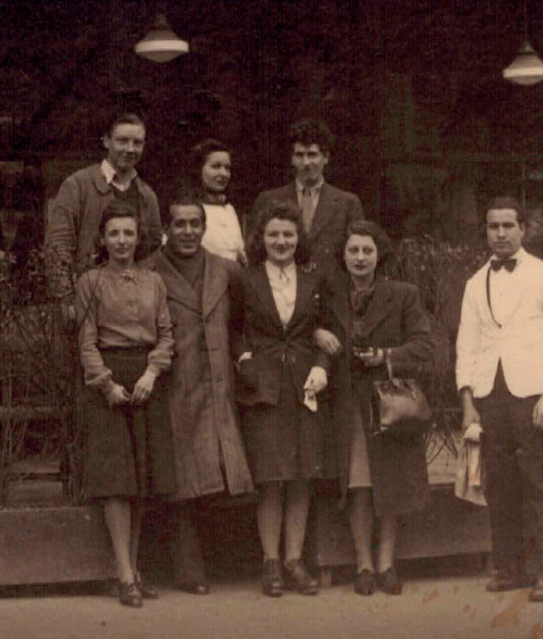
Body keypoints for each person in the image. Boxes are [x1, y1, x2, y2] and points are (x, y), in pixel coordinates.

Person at [455, 196, 543, 603]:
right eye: (494, 227)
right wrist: (469, 401)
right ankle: (511, 568)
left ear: (524, 228)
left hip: (535, 395)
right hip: (492, 395)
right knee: (501, 487)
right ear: (486, 231)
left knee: (541, 484)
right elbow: (467, 345)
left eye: (508, 226)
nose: (501, 234)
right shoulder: (475, 283)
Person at [316, 220, 434, 596]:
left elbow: (425, 346)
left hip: (390, 403)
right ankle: (363, 562)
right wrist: (319, 333)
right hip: (347, 402)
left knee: (392, 483)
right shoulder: (329, 293)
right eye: (353, 250)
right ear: (343, 255)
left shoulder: (403, 294)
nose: (361, 258)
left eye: (368, 250)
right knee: (359, 485)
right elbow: (310, 330)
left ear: (379, 255)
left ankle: (387, 562)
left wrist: (385, 356)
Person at [148, 196, 253, 594]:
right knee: (181, 480)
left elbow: (240, 321)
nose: (188, 232)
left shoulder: (226, 271)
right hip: (173, 386)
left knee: (219, 476)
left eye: (195, 224)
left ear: (204, 228)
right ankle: (188, 570)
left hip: (218, 386)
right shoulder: (150, 272)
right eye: (180, 224)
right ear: (166, 228)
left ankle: (223, 563)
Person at [75, 201, 175, 609]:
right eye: (113, 233)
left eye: (128, 233)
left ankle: (133, 570)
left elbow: (167, 335)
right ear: (103, 238)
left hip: (147, 379)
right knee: (118, 480)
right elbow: (85, 341)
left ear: (139, 237)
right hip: (109, 381)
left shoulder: (154, 282)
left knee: (142, 480)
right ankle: (123, 573)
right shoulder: (91, 282)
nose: (121, 241)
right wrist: (106, 385)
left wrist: (152, 373)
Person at [230, 201, 330, 598]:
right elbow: (233, 328)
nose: (281, 241)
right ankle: (270, 562)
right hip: (264, 386)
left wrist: (322, 364)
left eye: (288, 234)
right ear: (261, 238)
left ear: (298, 238)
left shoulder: (314, 278)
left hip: (305, 384)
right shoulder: (245, 278)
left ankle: (294, 561)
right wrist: (244, 360)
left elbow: (325, 327)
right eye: (273, 234)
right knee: (271, 477)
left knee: (302, 474)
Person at [46, 112, 162, 317]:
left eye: (137, 143)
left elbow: (153, 250)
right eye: (122, 141)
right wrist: (66, 299)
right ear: (106, 141)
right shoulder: (77, 186)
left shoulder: (147, 195)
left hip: (131, 308)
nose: (130, 149)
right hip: (85, 303)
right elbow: (58, 246)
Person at [249, 119, 362, 276]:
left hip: (330, 293)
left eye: (312, 155)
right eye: (300, 155)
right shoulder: (268, 200)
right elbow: (255, 254)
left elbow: (356, 252)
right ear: (292, 159)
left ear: (326, 157)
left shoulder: (348, 203)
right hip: (281, 289)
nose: (306, 162)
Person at [193, 138, 246, 265]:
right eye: (216, 166)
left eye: (227, 168)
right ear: (199, 170)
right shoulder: (190, 208)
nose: (223, 173)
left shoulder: (230, 209)